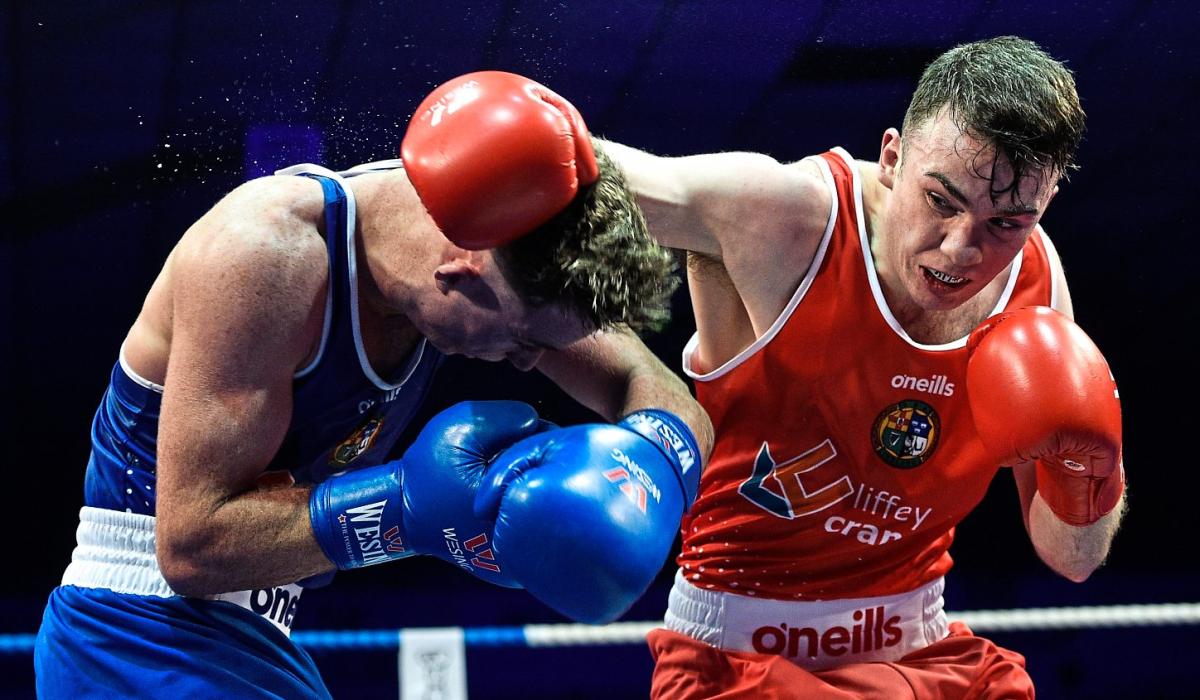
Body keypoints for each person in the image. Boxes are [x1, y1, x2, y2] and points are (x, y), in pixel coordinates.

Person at [34, 71, 712, 698]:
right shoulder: (267, 254)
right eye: (522, 338)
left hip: (256, 632)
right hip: (133, 630)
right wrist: (406, 510)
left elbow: (657, 389)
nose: (529, 362)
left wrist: (645, 467)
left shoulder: (511, 261)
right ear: (460, 274)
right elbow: (190, 546)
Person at [603, 36, 1125, 698]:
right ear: (891, 157)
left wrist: (1090, 464)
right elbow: (580, 174)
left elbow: (1073, 559)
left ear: (1042, 206)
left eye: (1006, 224)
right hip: (739, 661)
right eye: (942, 201)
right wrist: (480, 140)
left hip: (921, 656)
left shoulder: (1038, 288)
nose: (962, 248)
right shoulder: (792, 218)